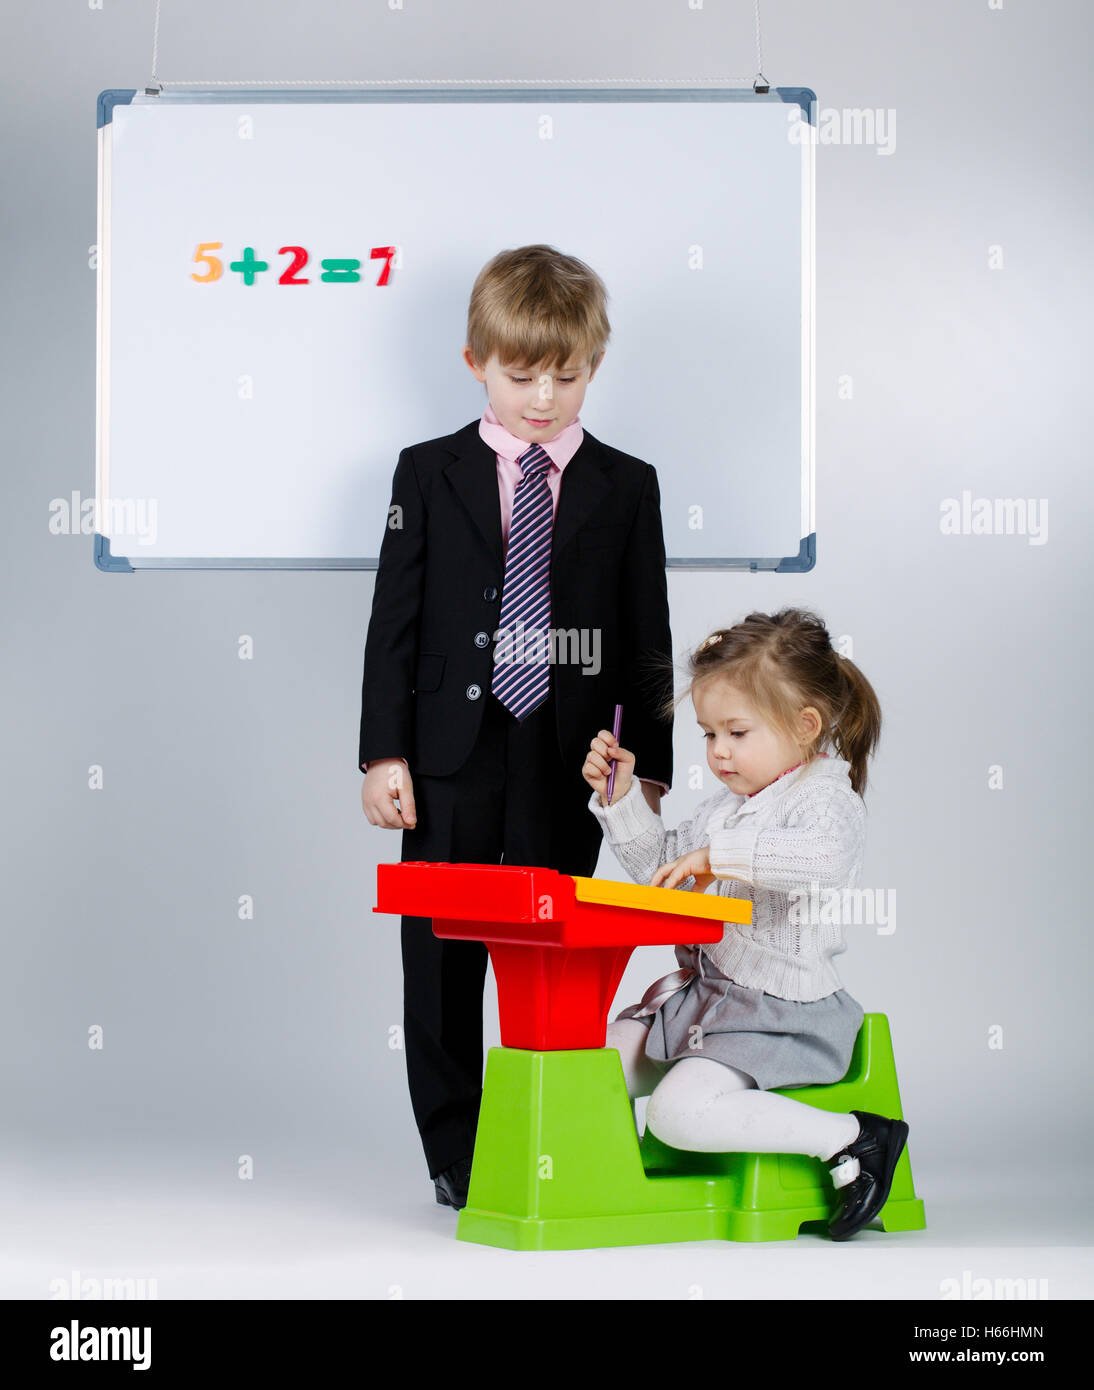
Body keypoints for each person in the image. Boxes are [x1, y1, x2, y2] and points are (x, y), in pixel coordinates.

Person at [359, 245, 674, 1209]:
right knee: (441, 967)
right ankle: (457, 1156)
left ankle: (542, 1136)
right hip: (449, 763)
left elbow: (645, 638)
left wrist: (647, 770)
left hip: (565, 764)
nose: (542, 396)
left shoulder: (628, 485)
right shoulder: (428, 471)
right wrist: (383, 753)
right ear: (476, 364)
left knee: (548, 961)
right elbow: (393, 627)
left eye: (565, 376)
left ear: (595, 365)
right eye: (519, 374)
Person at [583, 607, 908, 1241]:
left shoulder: (827, 798)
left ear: (804, 725)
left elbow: (823, 860)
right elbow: (662, 869)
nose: (719, 752)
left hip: (780, 1011)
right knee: (600, 1065)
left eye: (736, 732)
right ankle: (616, 1186)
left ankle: (856, 1137)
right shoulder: (725, 808)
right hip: (710, 999)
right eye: (708, 735)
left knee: (677, 1113)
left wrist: (719, 857)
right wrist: (621, 798)